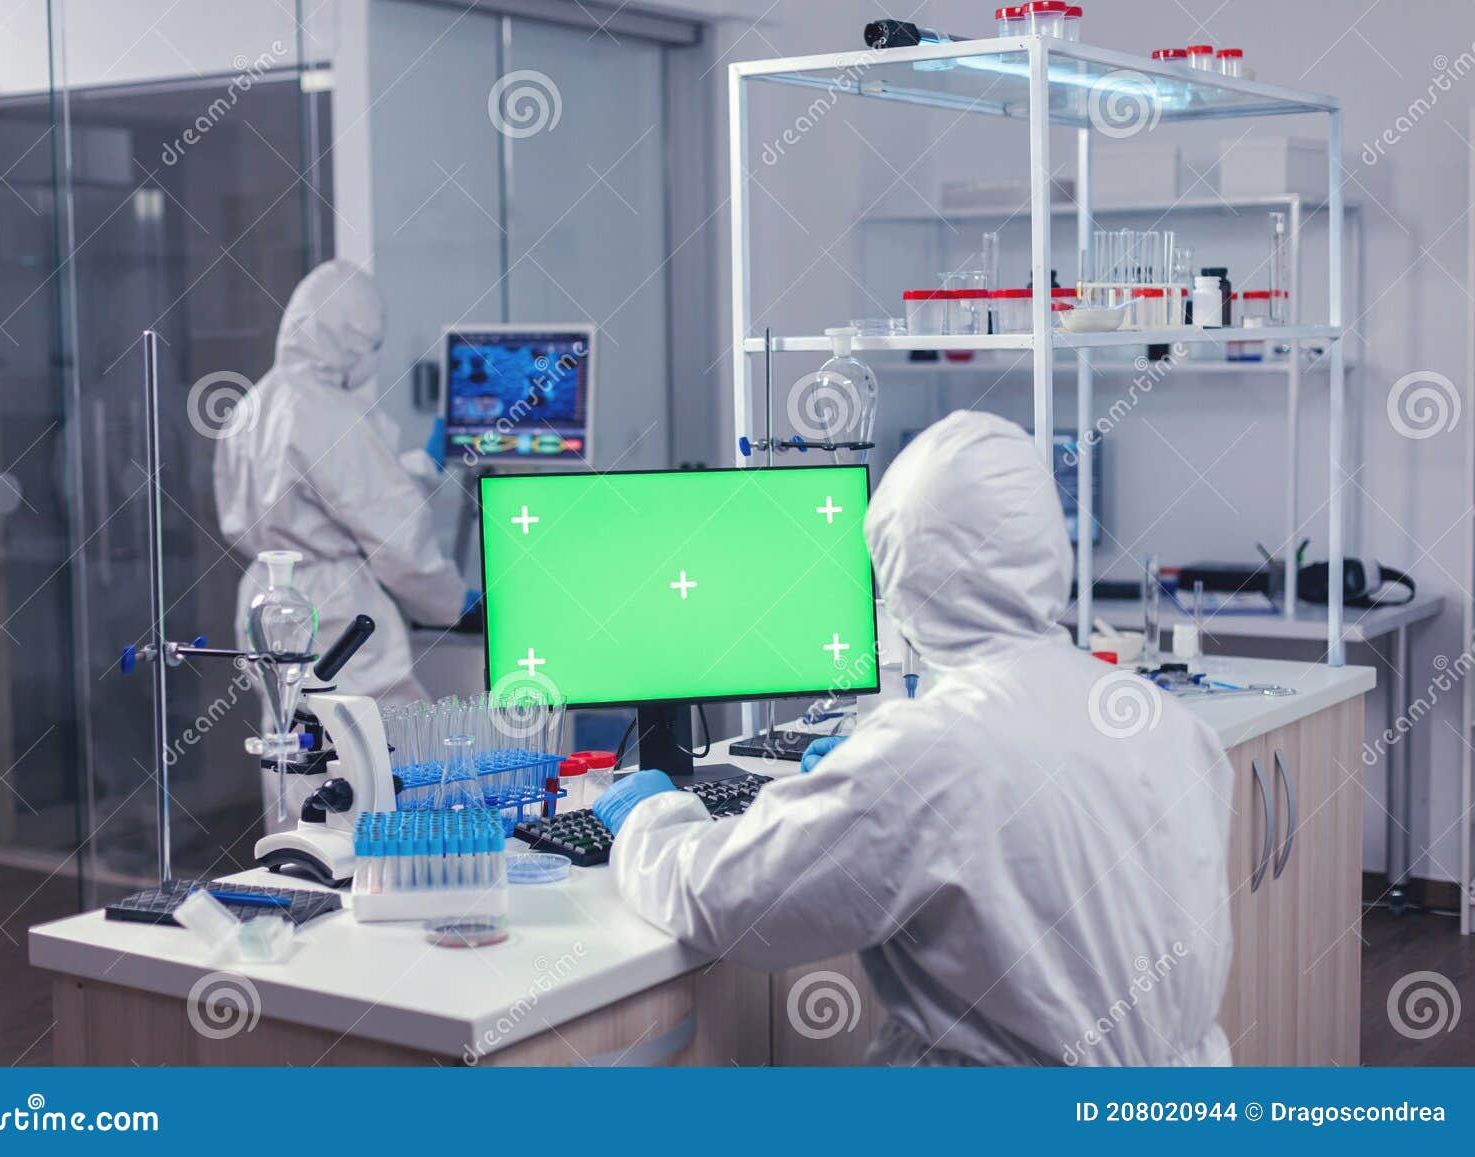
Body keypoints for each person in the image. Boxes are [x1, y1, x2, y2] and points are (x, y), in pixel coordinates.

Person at [593, 412, 1234, 1066]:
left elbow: (732, 900)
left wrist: (651, 817)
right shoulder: (1164, 722)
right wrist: (869, 787)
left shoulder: (928, 755)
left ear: (901, 567)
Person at [215, 261, 476, 820]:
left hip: (268, 593)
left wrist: (422, 467)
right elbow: (396, 539)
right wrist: (455, 603)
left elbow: (328, 499)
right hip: (335, 610)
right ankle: (382, 883)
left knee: (296, 753)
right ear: (351, 338)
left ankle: (302, 877)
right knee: (381, 759)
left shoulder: (255, 402)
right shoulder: (328, 413)